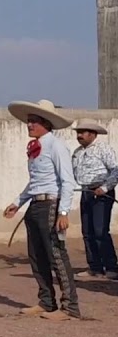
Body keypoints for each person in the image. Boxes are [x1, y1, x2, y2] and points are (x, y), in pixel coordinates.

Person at [2, 99, 81, 320]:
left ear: (46, 123)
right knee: (37, 256)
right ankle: (46, 301)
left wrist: (64, 212)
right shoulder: (37, 148)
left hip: (51, 205)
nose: (29, 125)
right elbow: (36, 181)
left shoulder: (56, 146)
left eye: (33, 121)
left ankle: (70, 307)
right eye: (28, 121)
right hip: (36, 203)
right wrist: (18, 201)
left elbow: (67, 181)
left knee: (56, 254)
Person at [71, 119, 118, 280]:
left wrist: (104, 187)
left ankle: (112, 267)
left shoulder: (103, 149)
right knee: (87, 232)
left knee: (100, 231)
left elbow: (116, 171)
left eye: (82, 132)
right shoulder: (77, 152)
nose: (79, 135)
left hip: (102, 193)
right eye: (78, 132)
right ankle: (95, 267)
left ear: (92, 134)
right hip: (86, 191)